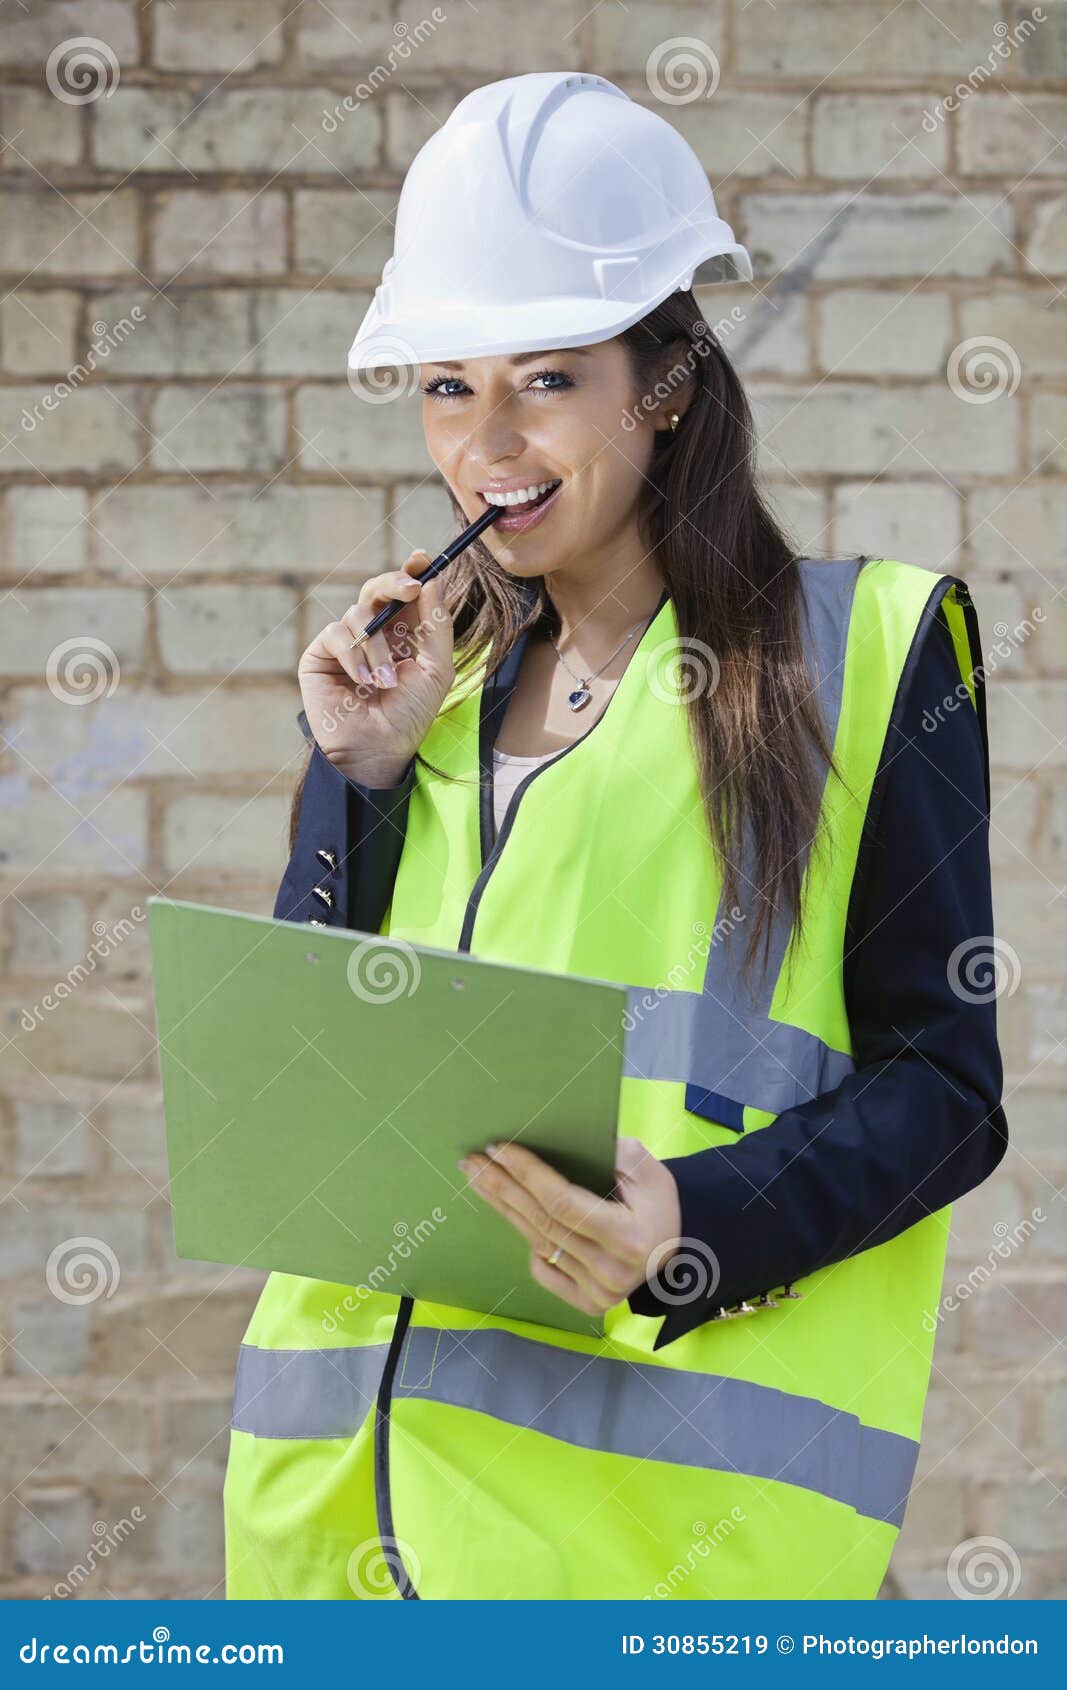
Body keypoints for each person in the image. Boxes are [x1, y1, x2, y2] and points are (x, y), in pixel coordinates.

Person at [223, 71, 1007, 1601]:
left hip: (641, 1573)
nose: (486, 442)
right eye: (448, 386)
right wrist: (356, 779)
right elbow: (314, 1089)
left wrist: (693, 1226)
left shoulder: (864, 660)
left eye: (546, 378)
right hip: (327, 1548)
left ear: (668, 384)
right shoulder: (423, 703)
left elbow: (948, 1089)